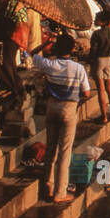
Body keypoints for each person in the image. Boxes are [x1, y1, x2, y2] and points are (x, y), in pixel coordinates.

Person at [28, 34, 92, 204]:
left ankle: (48, 186)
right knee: (65, 151)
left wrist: (46, 43)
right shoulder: (78, 68)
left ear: (56, 49)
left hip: (51, 107)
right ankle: (60, 192)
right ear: (72, 49)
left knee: (51, 149)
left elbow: (31, 54)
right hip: (69, 109)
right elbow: (86, 93)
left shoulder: (49, 65)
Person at [89, 12, 110, 124]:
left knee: (101, 90)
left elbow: (93, 50)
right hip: (109, 59)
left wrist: (90, 60)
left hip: (99, 60)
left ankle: (103, 116)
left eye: (97, 19)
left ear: (102, 22)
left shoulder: (96, 34)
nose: (95, 21)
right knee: (109, 88)